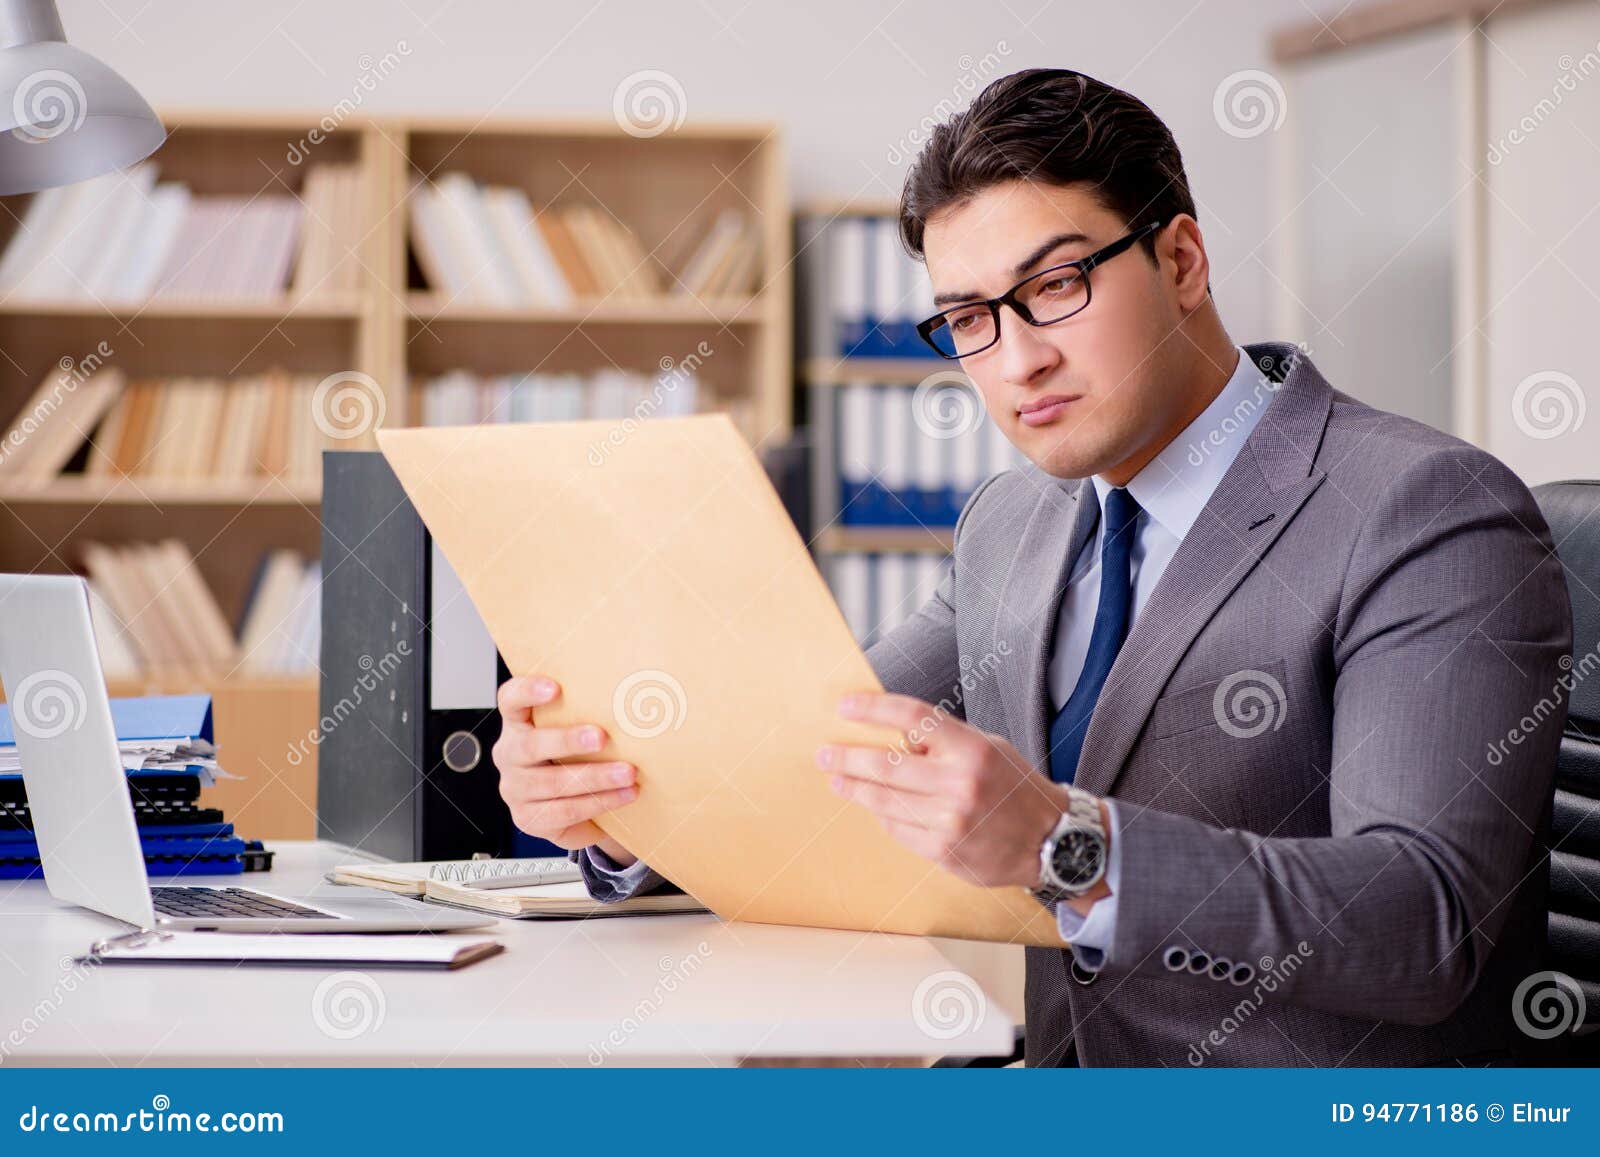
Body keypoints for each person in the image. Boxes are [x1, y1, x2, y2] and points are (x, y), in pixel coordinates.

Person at [492, 68, 1572, 1066]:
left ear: (1182, 262)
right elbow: (817, 761)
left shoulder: (1419, 506)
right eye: (969, 318)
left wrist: (1070, 845)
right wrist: (626, 806)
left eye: (1054, 287)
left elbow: (1422, 923)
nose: (1018, 361)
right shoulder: (1013, 520)